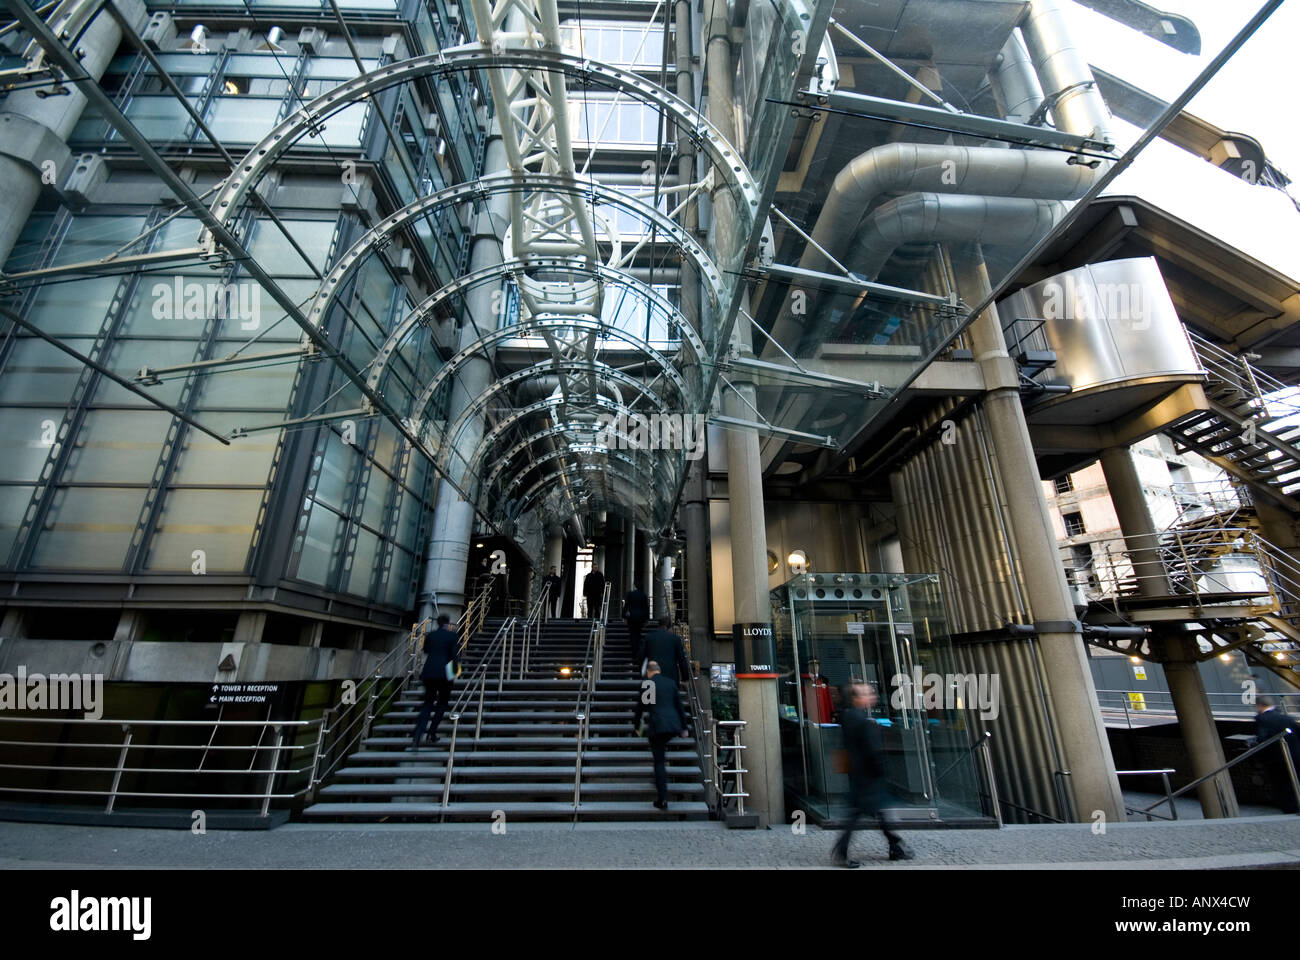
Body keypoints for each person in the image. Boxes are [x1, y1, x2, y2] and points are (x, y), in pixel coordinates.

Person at [831, 682, 912, 866]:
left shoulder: (848, 717)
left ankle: (895, 846)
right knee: (858, 815)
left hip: (858, 774)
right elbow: (872, 751)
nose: (872, 696)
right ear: (856, 699)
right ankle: (841, 852)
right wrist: (881, 771)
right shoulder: (862, 721)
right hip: (869, 776)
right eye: (867, 693)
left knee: (877, 813)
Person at [634, 660, 688, 810]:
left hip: (657, 725)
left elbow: (642, 706)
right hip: (673, 725)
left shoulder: (649, 683)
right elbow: (679, 706)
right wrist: (684, 727)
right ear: (659, 670)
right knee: (661, 755)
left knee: (659, 761)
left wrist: (636, 724)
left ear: (649, 672)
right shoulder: (670, 683)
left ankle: (662, 798)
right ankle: (659, 779)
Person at [411, 614, 459, 749]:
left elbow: (426, 650)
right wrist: (454, 672)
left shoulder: (431, 635)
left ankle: (417, 734)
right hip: (444, 674)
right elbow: (454, 656)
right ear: (447, 623)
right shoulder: (452, 636)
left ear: (438, 623)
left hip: (429, 672)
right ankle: (432, 732)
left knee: (427, 704)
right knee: (442, 703)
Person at [1255, 695, 1300, 813]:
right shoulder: (1287, 718)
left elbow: (1263, 739)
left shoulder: (1262, 719)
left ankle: (1290, 809)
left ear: (1259, 705)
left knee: (1281, 786)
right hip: (1295, 755)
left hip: (1275, 760)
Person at [641, 615, 690, 684]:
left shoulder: (649, 637)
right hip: (670, 676)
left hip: (652, 675)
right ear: (669, 626)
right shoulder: (675, 639)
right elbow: (682, 660)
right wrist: (685, 678)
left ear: (658, 624)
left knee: (652, 694)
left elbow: (641, 656)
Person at [622, 584, 650, 667]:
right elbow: (646, 607)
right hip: (640, 617)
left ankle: (634, 650)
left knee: (632, 633)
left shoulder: (630, 594)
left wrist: (623, 616)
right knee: (638, 633)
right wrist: (647, 619)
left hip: (632, 617)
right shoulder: (643, 595)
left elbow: (626, 606)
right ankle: (637, 649)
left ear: (634, 586)